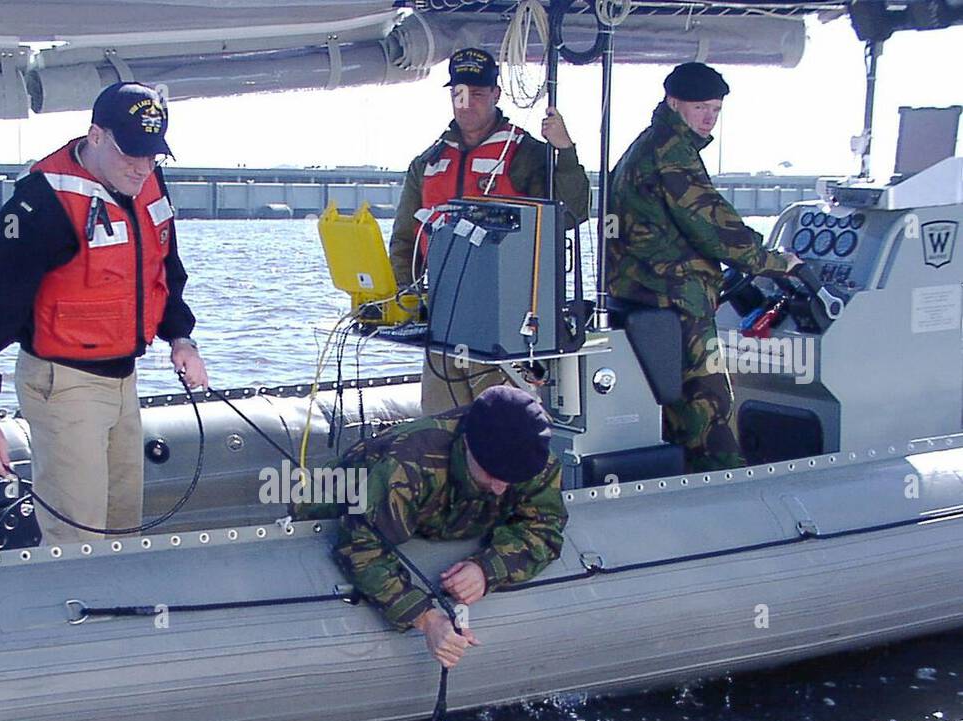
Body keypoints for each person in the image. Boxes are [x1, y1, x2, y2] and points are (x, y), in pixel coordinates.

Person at [0, 82, 208, 545]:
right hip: (63, 384)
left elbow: (163, 267)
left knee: (123, 523)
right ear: (95, 136)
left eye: (152, 156)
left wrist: (181, 338)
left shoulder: (148, 181)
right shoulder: (42, 203)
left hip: (124, 380)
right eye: (131, 153)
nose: (142, 167)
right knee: (77, 537)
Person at [606, 62, 801, 472]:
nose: (709, 117)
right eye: (700, 108)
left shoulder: (646, 145)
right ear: (673, 103)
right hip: (674, 301)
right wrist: (778, 263)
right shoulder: (671, 153)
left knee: (674, 410)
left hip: (639, 295)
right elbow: (713, 225)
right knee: (708, 408)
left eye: (715, 109)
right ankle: (726, 495)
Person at [388, 47, 591, 415]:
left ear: (496, 94)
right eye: (458, 94)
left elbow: (573, 212)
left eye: (477, 94)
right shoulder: (427, 163)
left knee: (506, 432)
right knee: (441, 426)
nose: (466, 104)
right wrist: (408, 299)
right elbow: (405, 240)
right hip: (444, 323)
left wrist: (565, 152)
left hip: (508, 325)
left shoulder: (527, 153)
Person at [333, 386, 567, 668]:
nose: (499, 488)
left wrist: (487, 569)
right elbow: (361, 548)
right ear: (467, 444)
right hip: (341, 495)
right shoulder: (407, 464)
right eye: (492, 475)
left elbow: (544, 529)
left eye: (511, 480)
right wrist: (427, 620)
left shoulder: (530, 460)